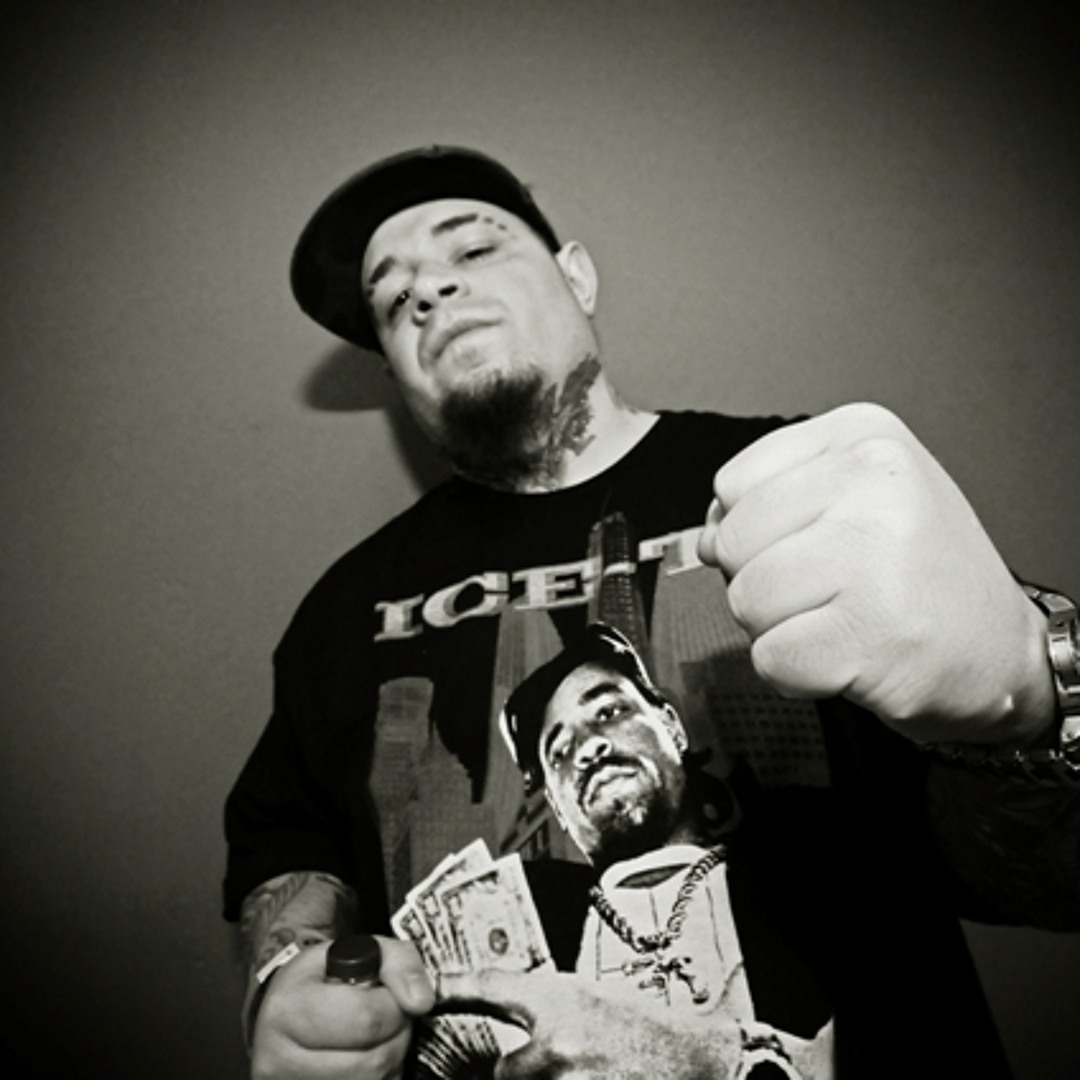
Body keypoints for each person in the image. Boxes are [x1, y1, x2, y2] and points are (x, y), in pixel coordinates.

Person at [223, 146, 1080, 1080]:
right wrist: (286, 973)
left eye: (472, 249)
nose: (426, 292)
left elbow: (1051, 881)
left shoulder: (804, 485)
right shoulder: (342, 611)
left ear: (577, 277)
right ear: (394, 370)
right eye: (393, 300)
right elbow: (287, 846)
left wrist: (1029, 700)